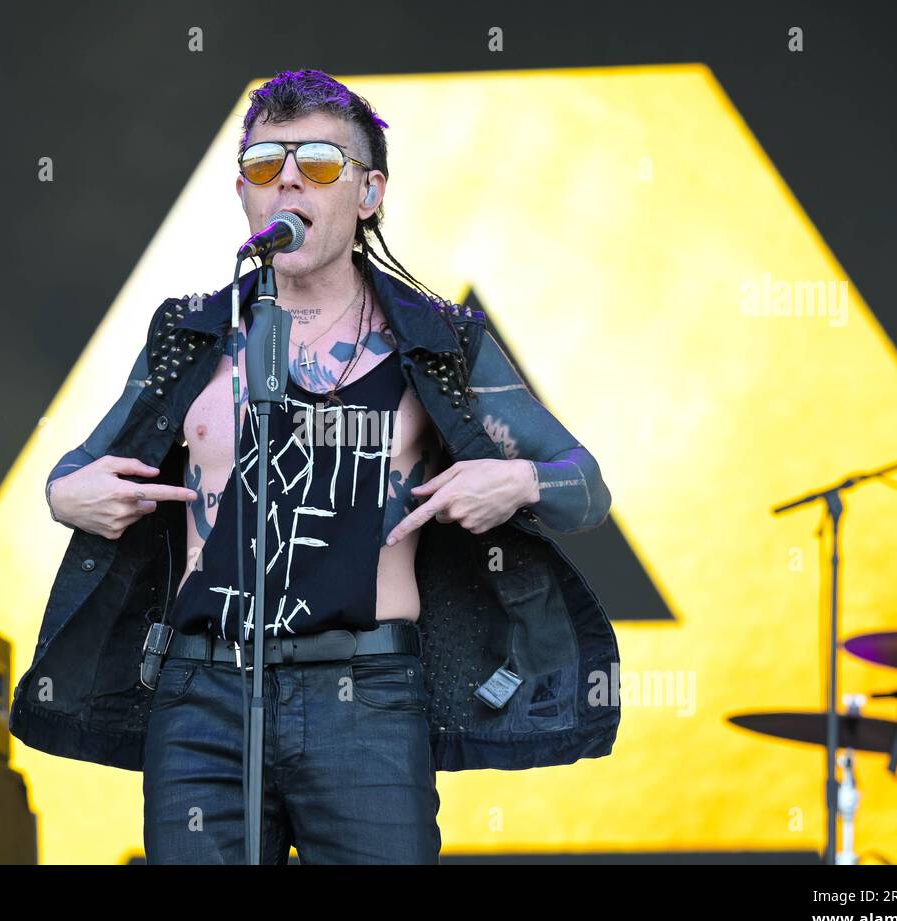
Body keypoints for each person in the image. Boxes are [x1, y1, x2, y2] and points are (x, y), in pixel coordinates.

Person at [35, 68, 613, 864]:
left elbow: (585, 487)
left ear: (369, 192)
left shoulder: (439, 342)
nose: (290, 183)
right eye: (267, 165)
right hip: (202, 696)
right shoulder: (193, 335)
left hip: (366, 697)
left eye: (319, 163)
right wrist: (68, 496)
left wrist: (517, 482)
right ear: (243, 194)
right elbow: (76, 471)